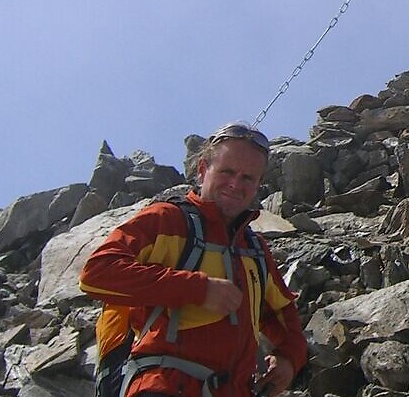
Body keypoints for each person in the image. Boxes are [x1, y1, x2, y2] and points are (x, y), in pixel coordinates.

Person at [80, 122, 307, 397]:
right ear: (202, 169)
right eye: (227, 171)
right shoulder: (167, 220)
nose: (235, 184)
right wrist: (198, 289)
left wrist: (289, 358)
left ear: (259, 184)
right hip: (162, 387)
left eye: (248, 178)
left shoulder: (254, 248)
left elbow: (283, 312)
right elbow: (97, 273)